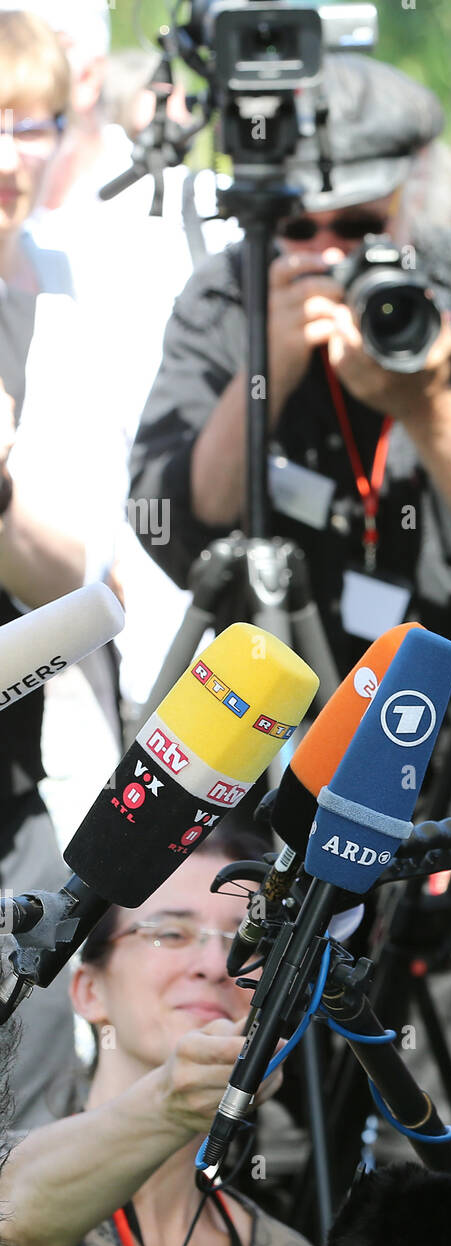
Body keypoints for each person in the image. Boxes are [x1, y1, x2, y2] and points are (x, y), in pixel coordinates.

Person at [129, 54, 451, 673]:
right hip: (273, 694)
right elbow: (169, 527)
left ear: (413, 198)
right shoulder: (225, 294)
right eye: (297, 226)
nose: (326, 253)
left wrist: (428, 408)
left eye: (359, 226)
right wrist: (265, 371)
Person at [0, 828, 319, 1246]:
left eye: (246, 942)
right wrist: (169, 1103)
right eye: (171, 933)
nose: (215, 965)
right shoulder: (17, 1177)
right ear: (88, 990)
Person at [0, 7, 123, 1134]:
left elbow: (84, 591)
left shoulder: (65, 310)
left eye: (27, 124)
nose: (6, 156)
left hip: (17, 815)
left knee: (27, 1162)